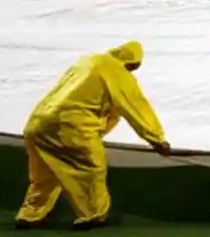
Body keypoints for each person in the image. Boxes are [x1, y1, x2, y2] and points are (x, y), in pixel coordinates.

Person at [15, 42, 171, 231]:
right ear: (132, 63)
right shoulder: (117, 72)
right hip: (70, 127)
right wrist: (157, 139)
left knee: (46, 176)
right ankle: (93, 215)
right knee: (91, 169)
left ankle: (30, 215)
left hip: (38, 123)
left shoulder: (88, 61)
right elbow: (135, 107)